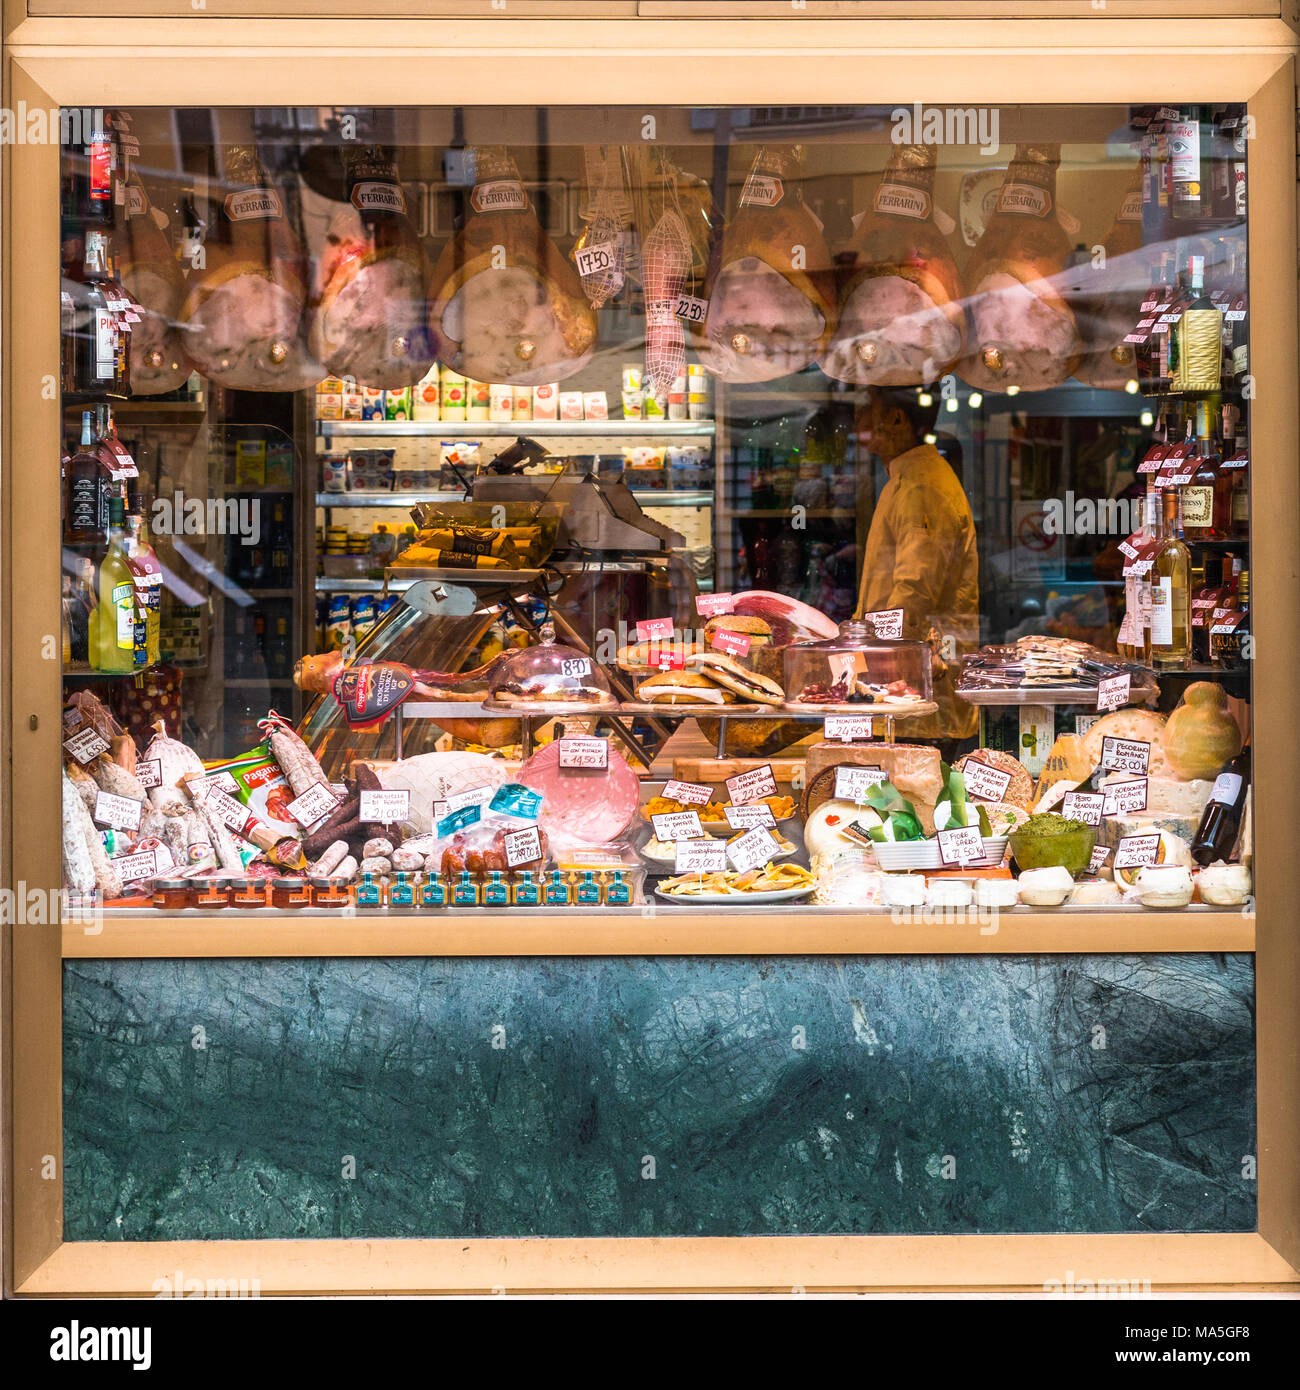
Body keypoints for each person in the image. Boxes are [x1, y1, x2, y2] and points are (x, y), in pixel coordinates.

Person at [854, 385, 980, 752]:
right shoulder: (906, 478)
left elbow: (913, 592)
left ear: (896, 419)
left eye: (866, 407)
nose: (855, 417)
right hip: (902, 695)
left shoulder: (922, 484)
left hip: (917, 704)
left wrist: (881, 671)